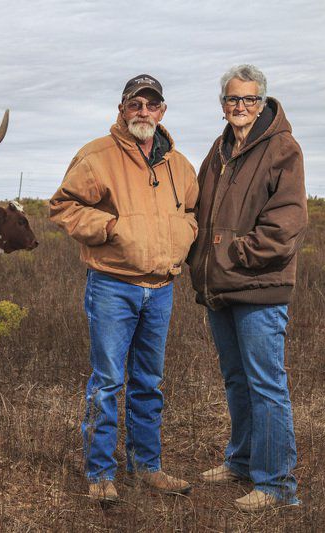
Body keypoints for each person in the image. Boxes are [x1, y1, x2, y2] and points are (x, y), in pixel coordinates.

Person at [50, 74, 198, 503]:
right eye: (136, 104)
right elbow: (62, 207)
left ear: (163, 112)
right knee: (108, 381)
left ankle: (146, 466)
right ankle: (100, 474)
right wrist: (111, 228)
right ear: (122, 108)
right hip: (114, 286)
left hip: (161, 288)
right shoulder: (98, 156)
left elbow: (192, 210)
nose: (144, 112)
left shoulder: (179, 165)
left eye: (152, 105)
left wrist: (183, 235)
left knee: (149, 382)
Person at [187, 64, 307, 512]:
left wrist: (229, 256)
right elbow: (199, 213)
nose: (241, 107)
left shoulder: (281, 149)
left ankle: (277, 484)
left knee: (267, 385)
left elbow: (285, 225)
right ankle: (240, 460)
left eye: (249, 100)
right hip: (221, 290)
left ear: (262, 103)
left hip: (259, 288)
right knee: (237, 380)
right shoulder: (217, 153)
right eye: (233, 100)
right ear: (223, 106)